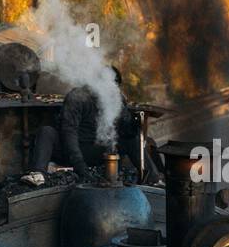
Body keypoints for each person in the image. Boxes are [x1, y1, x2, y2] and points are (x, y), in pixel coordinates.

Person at [21, 66, 160, 186]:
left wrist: (134, 124)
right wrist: (80, 167)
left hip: (99, 152)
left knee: (133, 139)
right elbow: (68, 133)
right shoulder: (77, 96)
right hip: (71, 152)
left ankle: (153, 179)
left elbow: (125, 131)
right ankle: (38, 174)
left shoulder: (116, 99)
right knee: (46, 132)